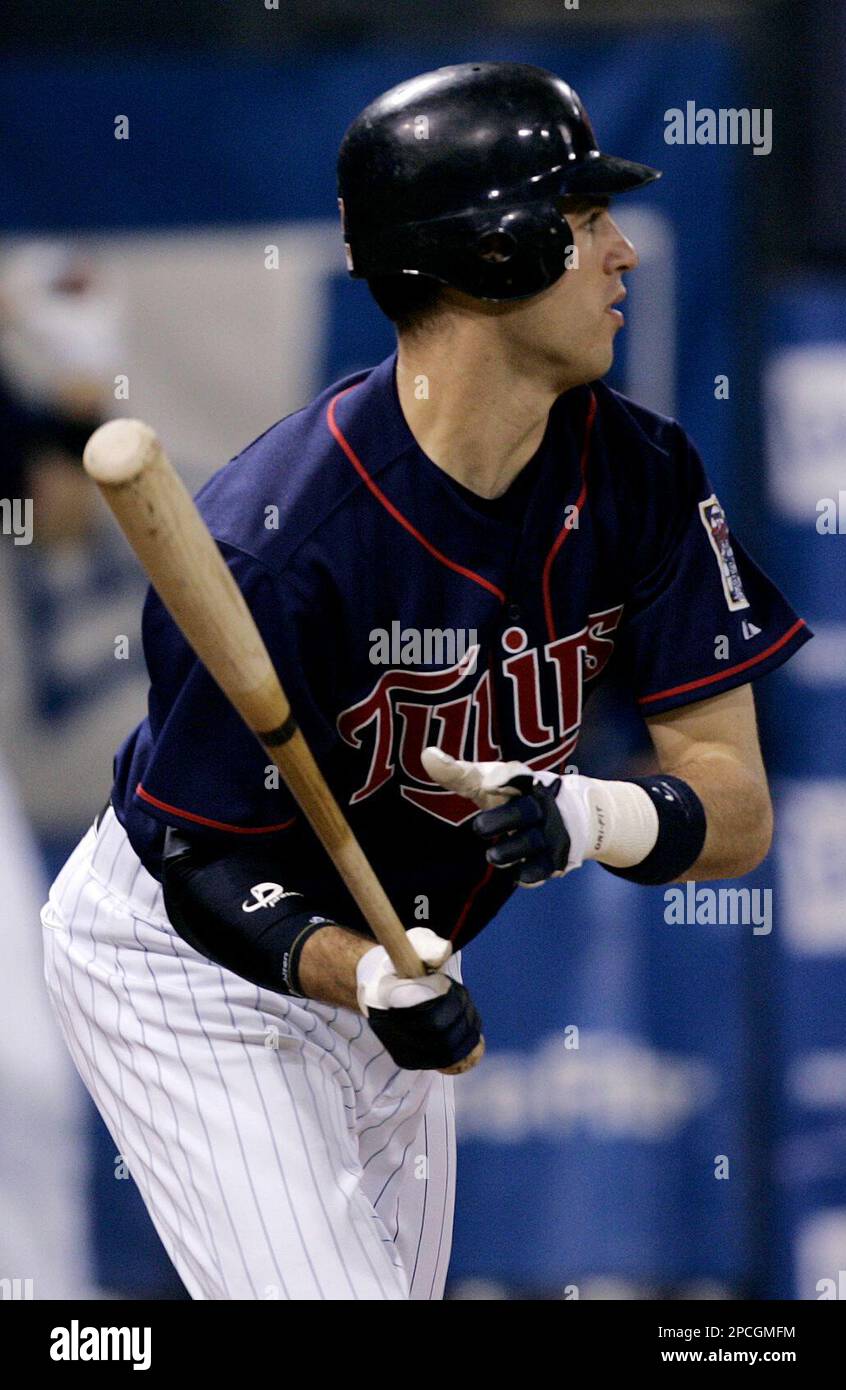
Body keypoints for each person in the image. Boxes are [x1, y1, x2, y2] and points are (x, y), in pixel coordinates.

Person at [41, 62, 811, 1301]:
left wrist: (589, 814)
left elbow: (738, 814)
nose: (620, 254)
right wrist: (363, 971)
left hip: (403, 954)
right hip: (198, 957)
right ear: (492, 255)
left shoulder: (643, 476)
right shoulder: (282, 538)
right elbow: (201, 861)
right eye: (580, 224)